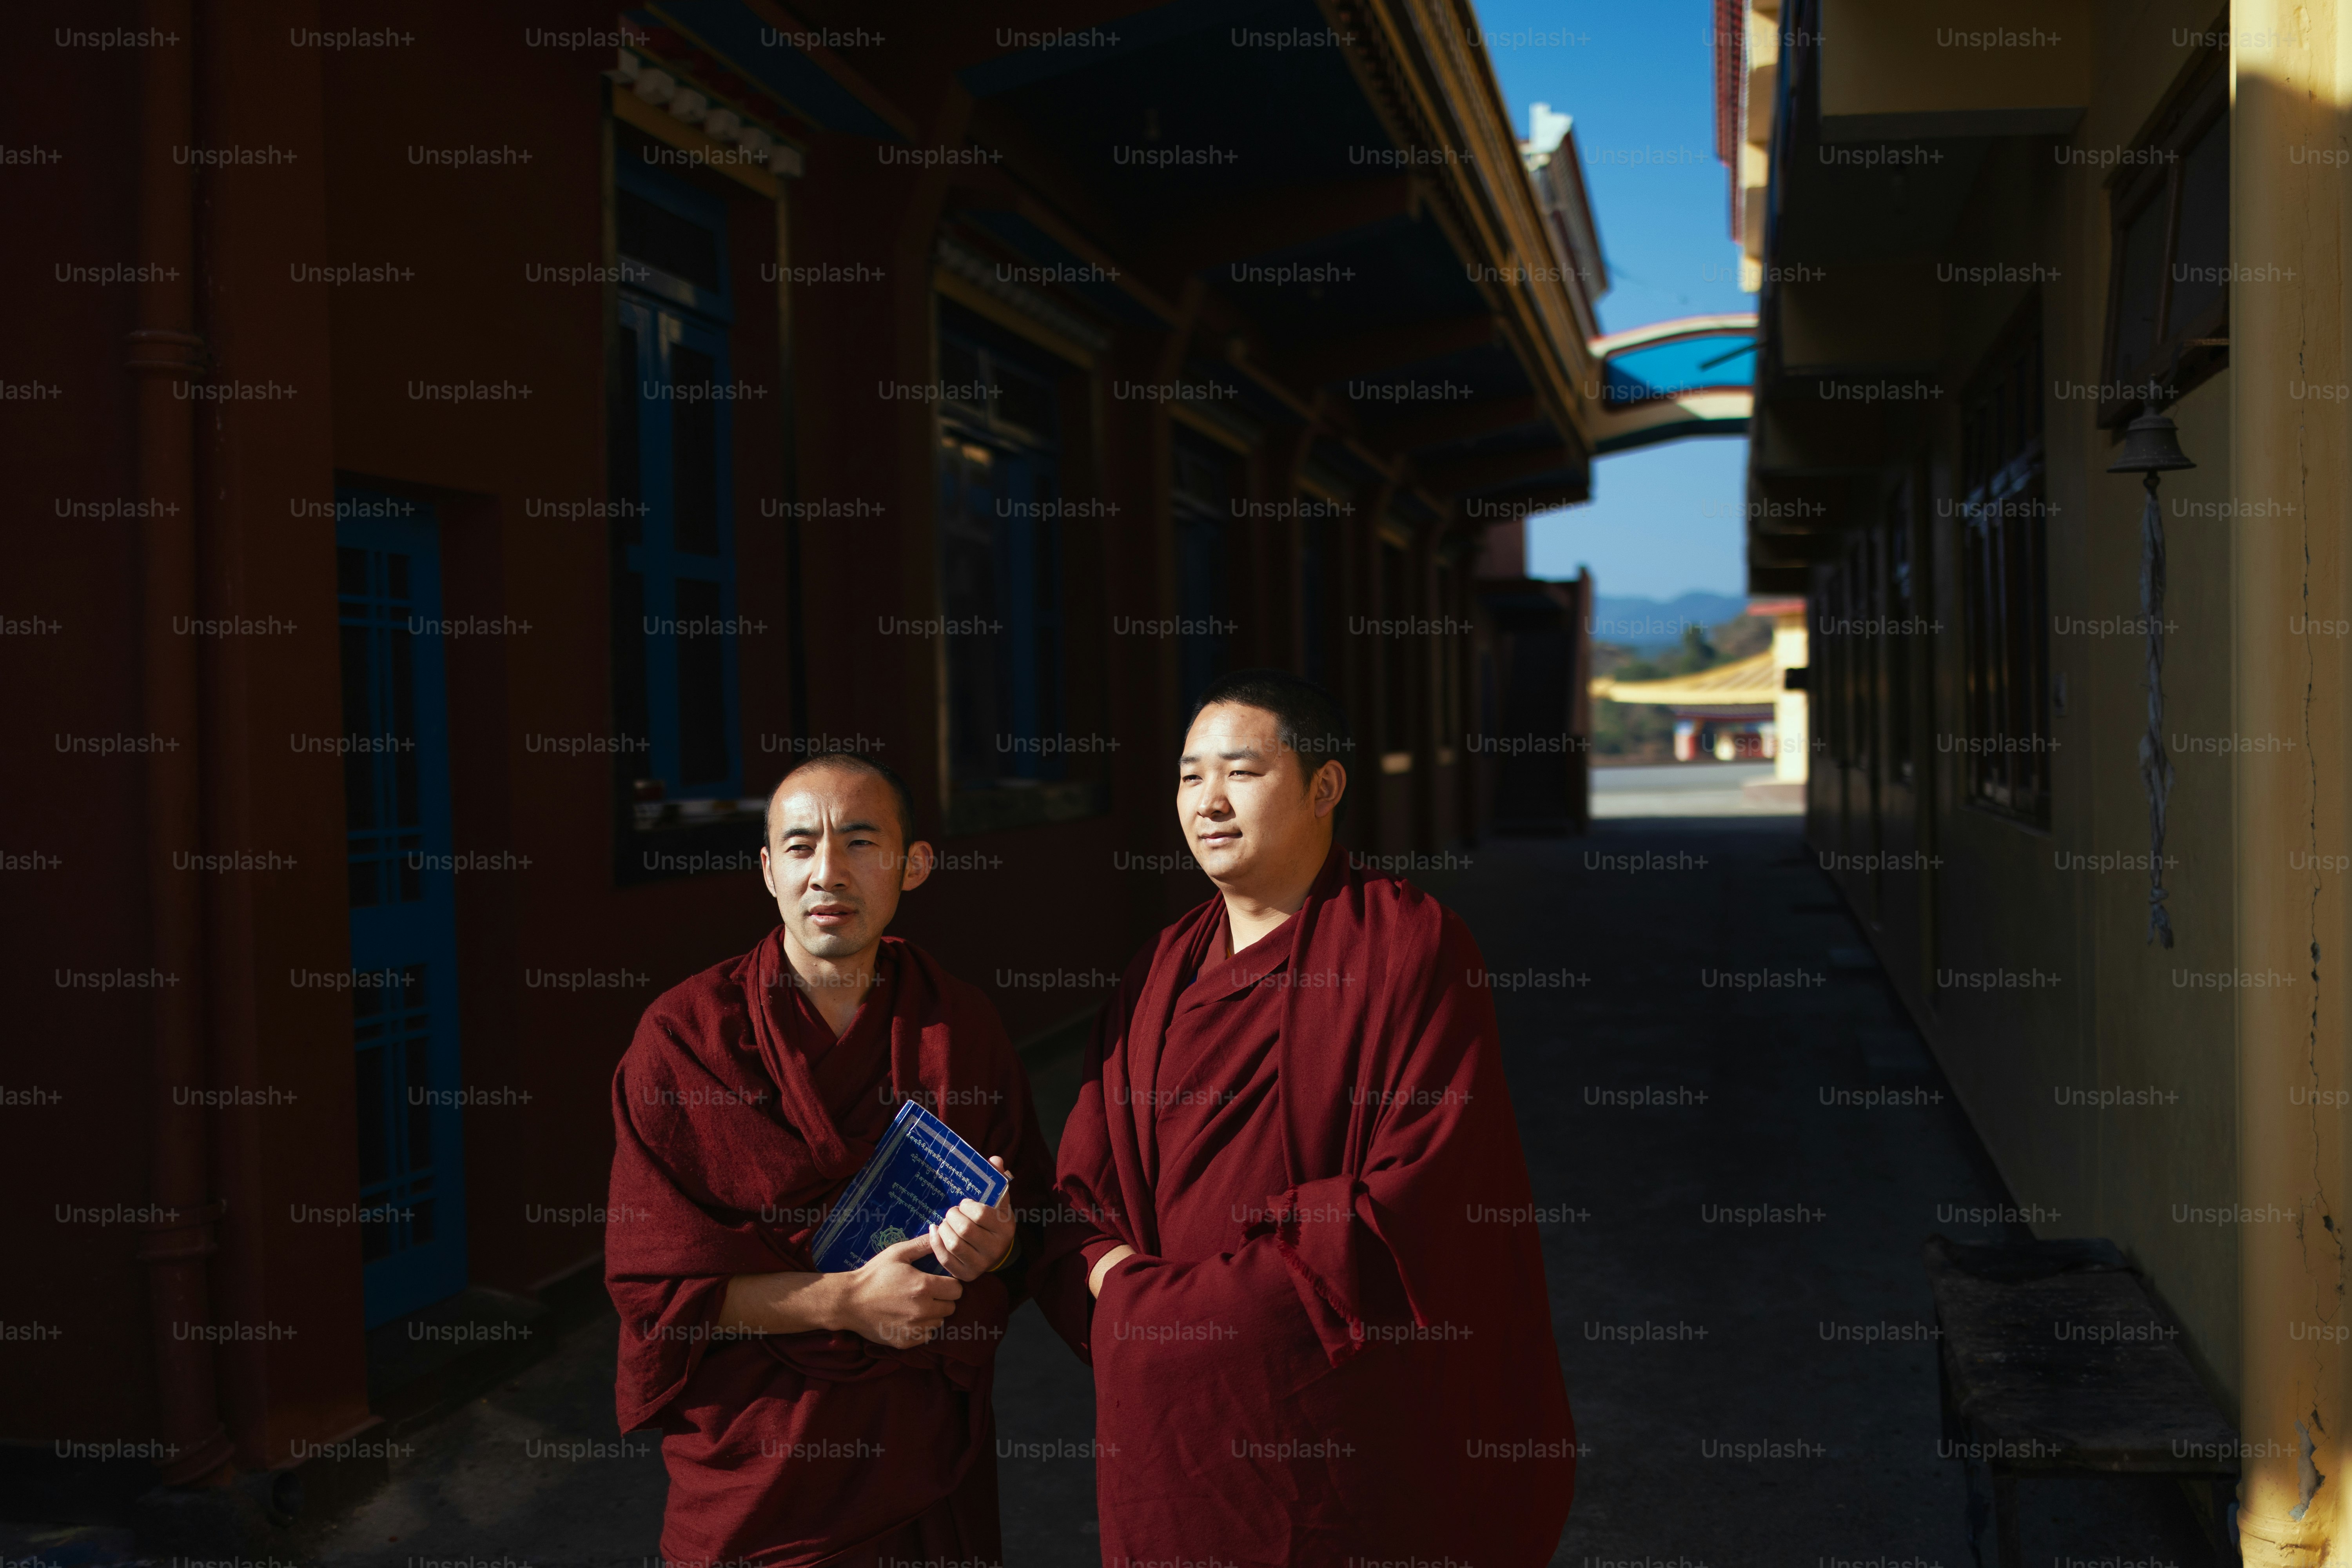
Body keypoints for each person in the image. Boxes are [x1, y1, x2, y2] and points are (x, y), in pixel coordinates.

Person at [1038, 669, 1576, 1565]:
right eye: (1189, 775)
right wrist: (1117, 1282)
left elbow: (1424, 1193)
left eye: (1242, 772)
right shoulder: (1156, 970)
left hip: (1334, 1399)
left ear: (1325, 787)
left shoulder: (1408, 945)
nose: (1208, 800)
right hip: (1179, 1410)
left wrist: (1166, 1305)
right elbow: (1083, 1191)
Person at [605, 753, 1053, 1568]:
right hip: (757, 1470)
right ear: (768, 870)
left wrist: (997, 1247)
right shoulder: (685, 1038)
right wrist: (845, 1302)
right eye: (801, 845)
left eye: (861, 842)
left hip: (916, 1450)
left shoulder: (960, 1025)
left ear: (915, 864)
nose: (828, 873)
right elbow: (657, 1296)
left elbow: (1031, 1237)